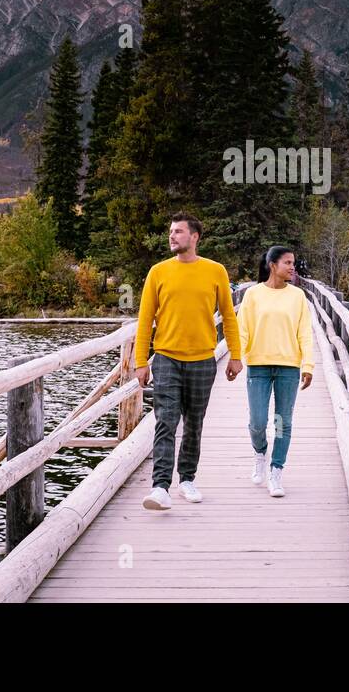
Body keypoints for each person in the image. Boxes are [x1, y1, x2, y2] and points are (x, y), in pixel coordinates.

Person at [133, 212, 242, 510]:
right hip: (166, 358)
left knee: (194, 423)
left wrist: (236, 354)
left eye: (179, 231)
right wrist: (140, 361)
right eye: (171, 231)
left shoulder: (215, 271)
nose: (172, 236)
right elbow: (145, 321)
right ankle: (160, 487)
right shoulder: (157, 272)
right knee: (165, 421)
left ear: (194, 237)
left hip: (202, 360)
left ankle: (187, 479)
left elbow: (229, 317)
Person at [231, 245, 314, 497]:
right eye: (288, 263)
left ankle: (276, 471)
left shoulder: (297, 296)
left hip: (288, 367)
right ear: (272, 265)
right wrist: (236, 357)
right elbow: (242, 329)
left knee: (282, 422)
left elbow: (305, 333)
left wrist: (307, 365)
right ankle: (260, 453)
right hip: (259, 365)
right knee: (257, 422)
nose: (292, 267)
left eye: (293, 263)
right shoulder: (254, 295)